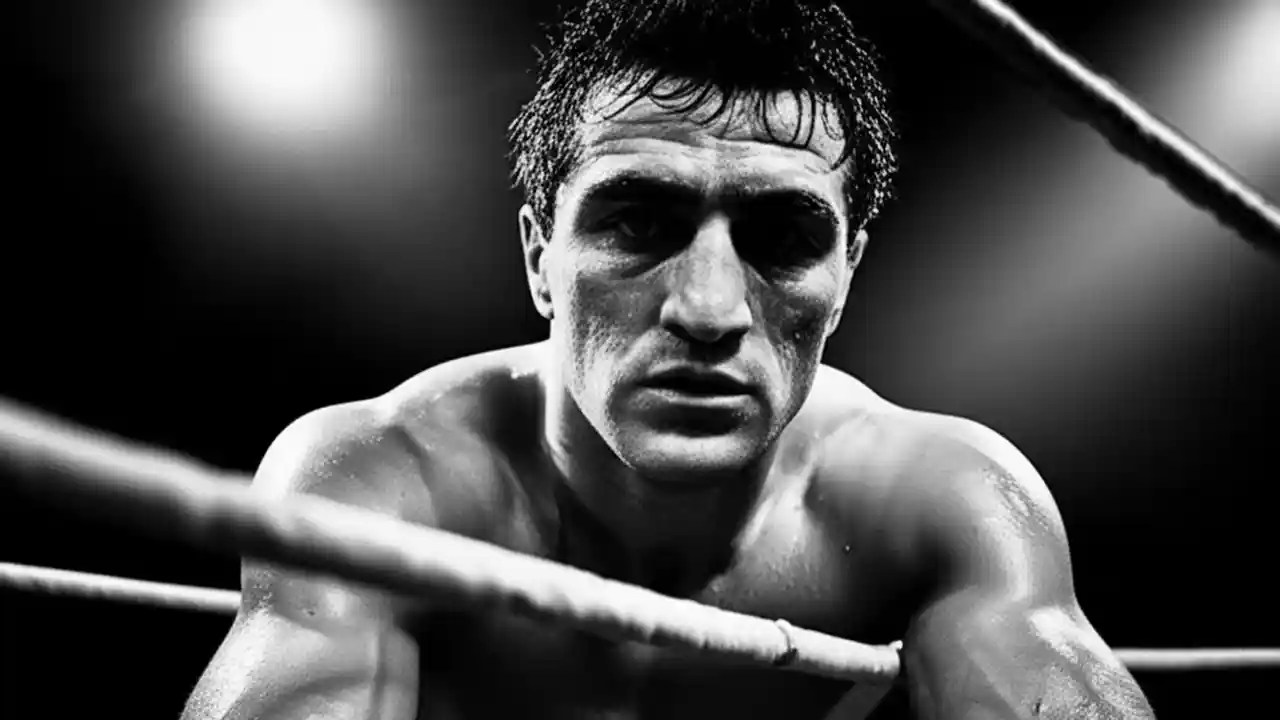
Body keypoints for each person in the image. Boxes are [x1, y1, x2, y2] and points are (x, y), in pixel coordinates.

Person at [182, 1, 1156, 718]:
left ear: (846, 274)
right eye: (640, 222)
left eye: (781, 237)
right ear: (540, 258)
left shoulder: (938, 504)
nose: (708, 309)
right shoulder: (385, 483)